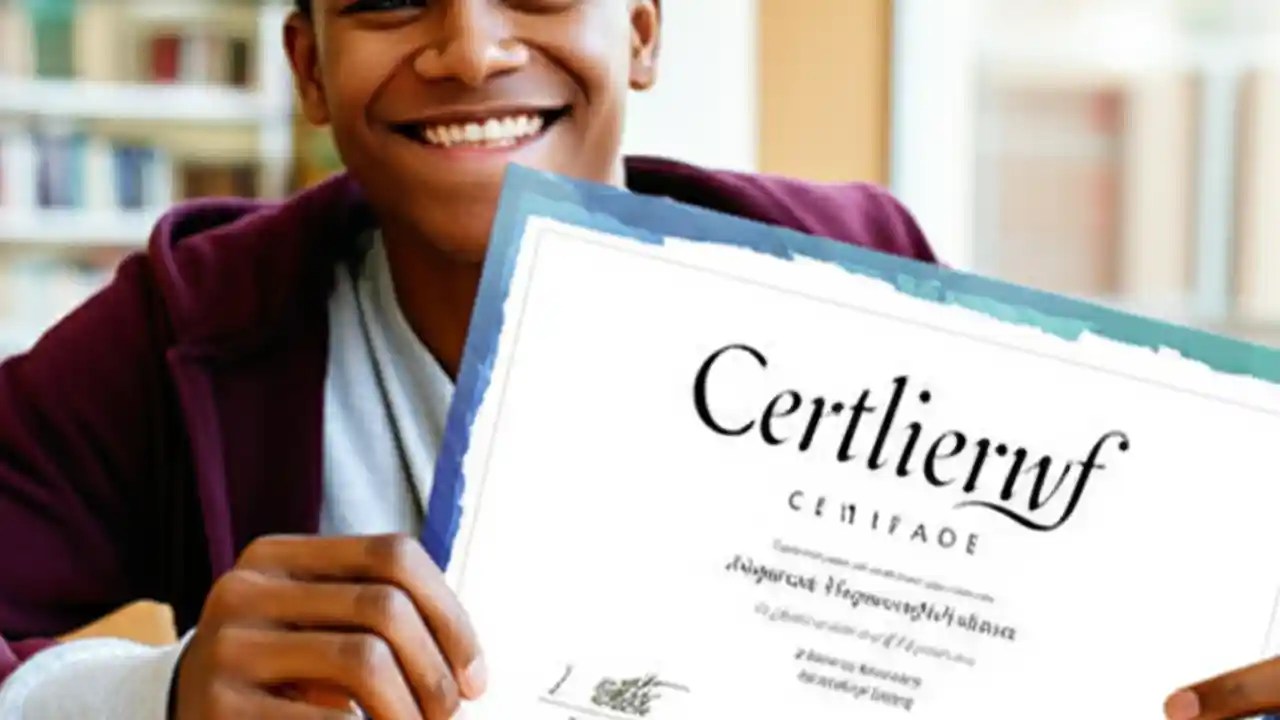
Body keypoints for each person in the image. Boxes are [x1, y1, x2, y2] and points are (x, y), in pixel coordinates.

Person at [0, 1, 1265, 718]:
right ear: (307, 68)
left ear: (644, 30)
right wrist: (157, 697)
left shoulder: (861, 272)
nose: (468, 49)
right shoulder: (189, 327)